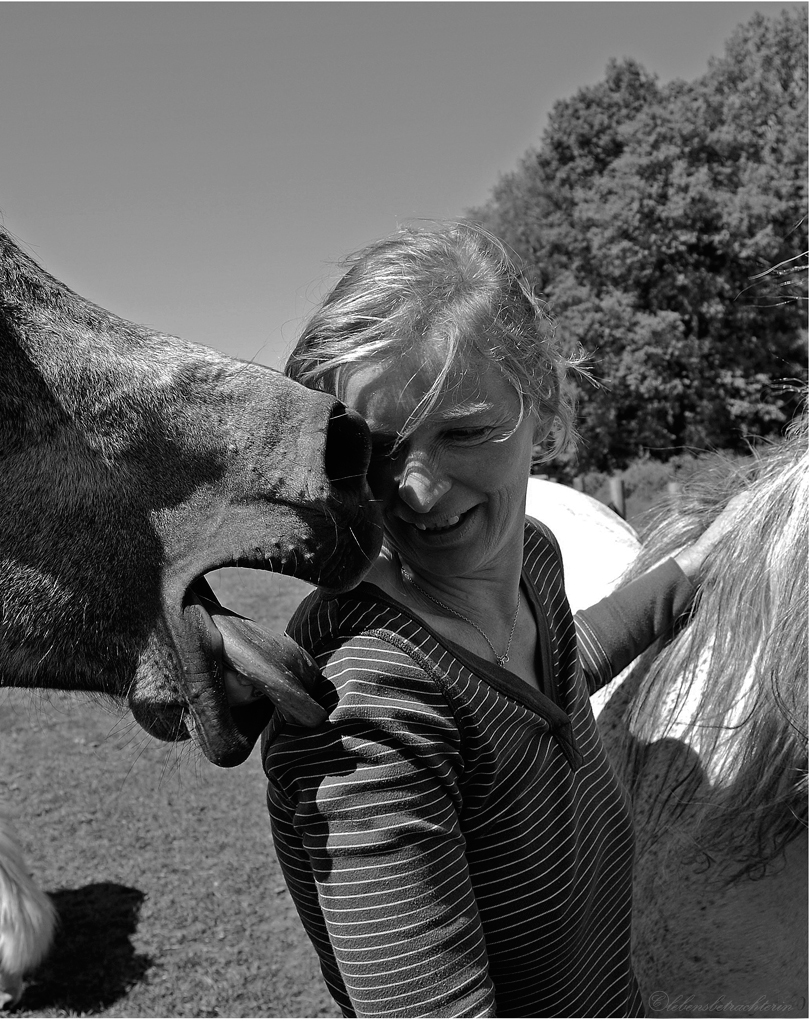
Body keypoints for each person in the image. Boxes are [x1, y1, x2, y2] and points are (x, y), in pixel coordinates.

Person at [262, 223, 742, 1017]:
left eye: (464, 431)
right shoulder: (371, 700)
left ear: (539, 407)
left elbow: (553, 670)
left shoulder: (532, 559)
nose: (415, 489)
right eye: (379, 448)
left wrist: (689, 571)